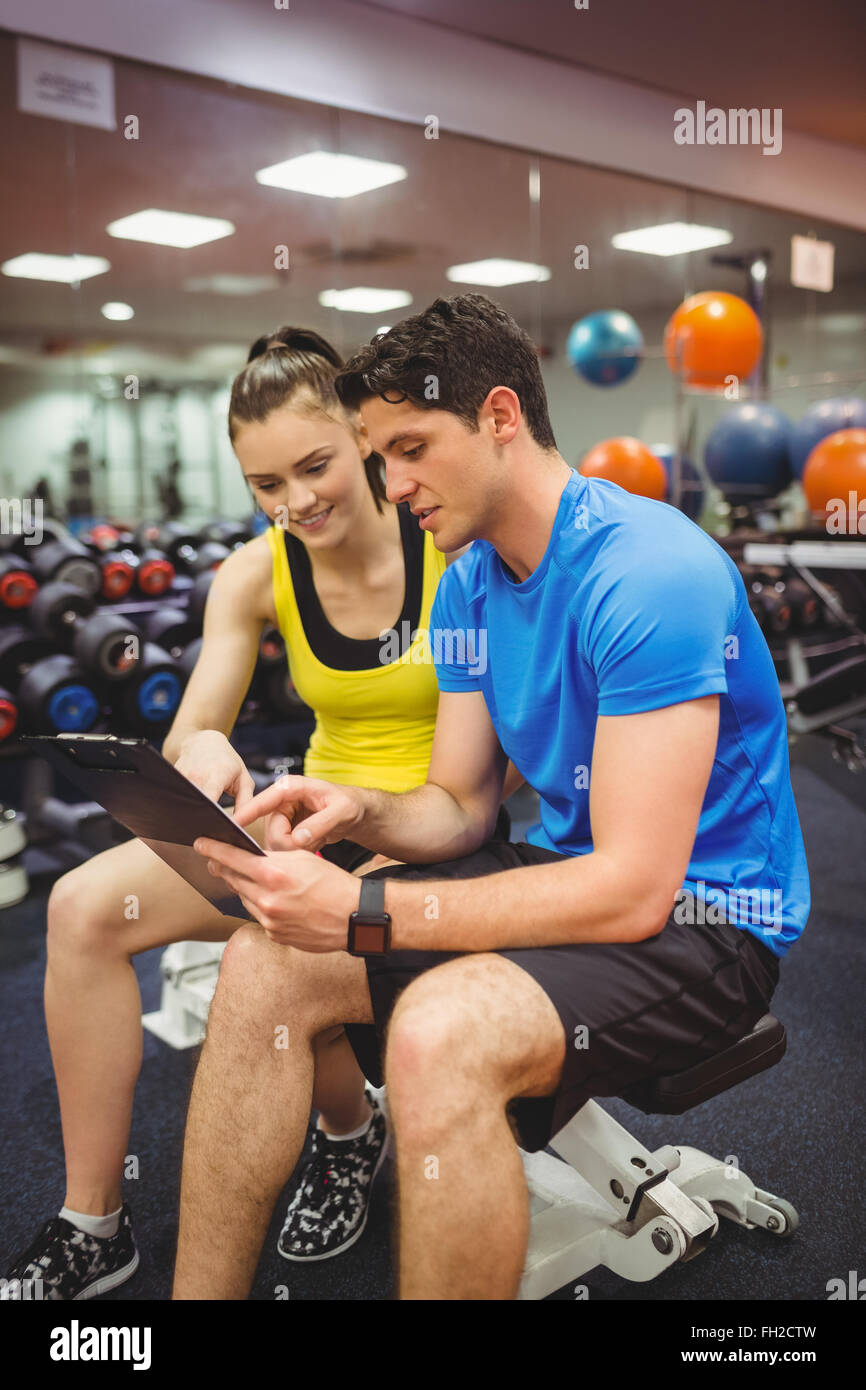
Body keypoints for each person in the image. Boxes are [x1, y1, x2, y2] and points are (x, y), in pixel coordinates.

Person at [171, 292, 810, 1301]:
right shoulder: (466, 580)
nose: (392, 483)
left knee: (438, 1030)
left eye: (411, 447)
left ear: (500, 416)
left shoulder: (647, 572)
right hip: (570, 872)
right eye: (377, 456)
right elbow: (462, 808)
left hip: (709, 920)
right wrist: (353, 810)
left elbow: (636, 890)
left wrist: (366, 911)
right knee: (263, 965)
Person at [3, 325, 517, 1301]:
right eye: (266, 486)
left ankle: (342, 1133)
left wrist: (349, 827)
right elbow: (198, 721)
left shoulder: (449, 549)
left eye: (314, 466)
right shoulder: (255, 573)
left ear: (363, 439)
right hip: (308, 819)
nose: (296, 503)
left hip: (427, 828)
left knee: (275, 942)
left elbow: (467, 787)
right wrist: (207, 759)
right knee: (76, 908)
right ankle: (92, 1224)